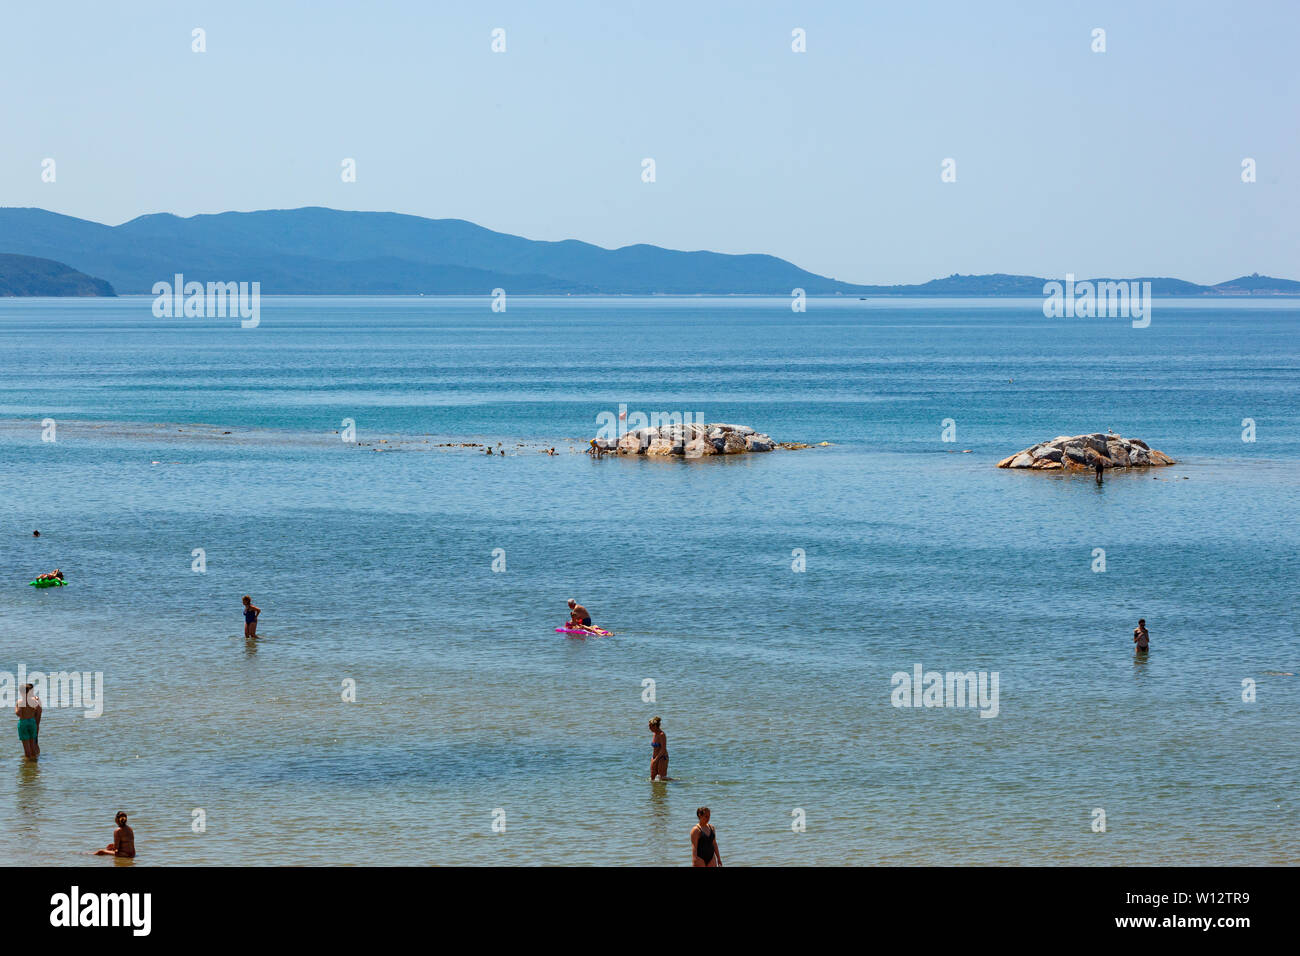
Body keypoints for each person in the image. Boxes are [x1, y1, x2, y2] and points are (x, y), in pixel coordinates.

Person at [15, 683, 40, 759]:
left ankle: (28, 765)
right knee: (32, 745)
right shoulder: (34, 701)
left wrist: (16, 708)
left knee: (26, 746)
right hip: (32, 722)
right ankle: (34, 762)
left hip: (23, 722)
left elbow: (18, 713)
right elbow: (37, 710)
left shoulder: (20, 702)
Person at [649, 716, 669, 781]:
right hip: (654, 757)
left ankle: (677, 782)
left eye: (650, 726)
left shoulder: (661, 735)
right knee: (652, 778)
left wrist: (656, 760)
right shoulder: (654, 734)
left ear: (655, 726)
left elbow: (663, 749)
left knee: (662, 778)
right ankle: (655, 791)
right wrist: (653, 759)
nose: (649, 728)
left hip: (662, 758)